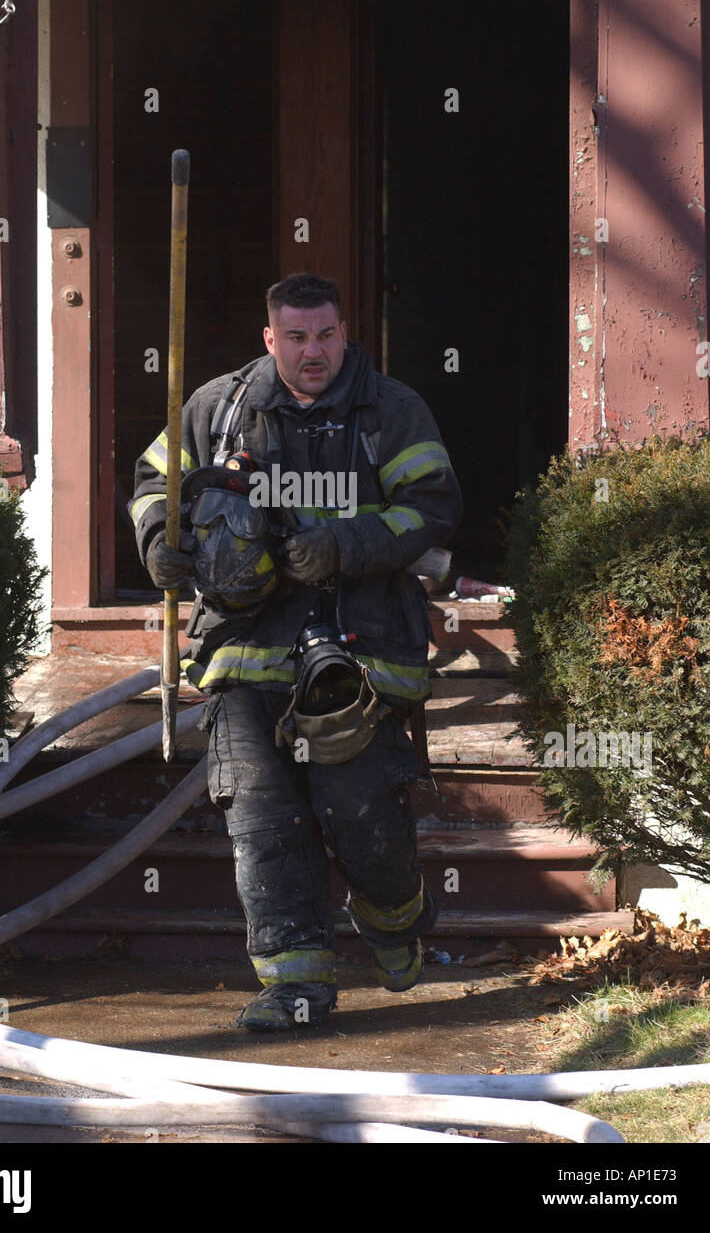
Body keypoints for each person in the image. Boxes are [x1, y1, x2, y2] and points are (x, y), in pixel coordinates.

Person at [129, 272, 462, 1031]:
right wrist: (160, 545)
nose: (313, 353)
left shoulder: (392, 410)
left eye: (326, 335)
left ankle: (392, 920)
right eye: (296, 338)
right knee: (262, 823)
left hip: (364, 649)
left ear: (344, 333)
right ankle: (295, 988)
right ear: (269, 338)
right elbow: (155, 482)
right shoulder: (216, 411)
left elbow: (433, 508)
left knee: (364, 820)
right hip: (247, 648)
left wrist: (343, 544)